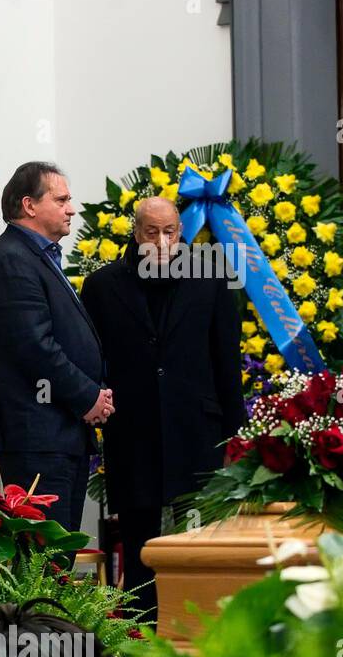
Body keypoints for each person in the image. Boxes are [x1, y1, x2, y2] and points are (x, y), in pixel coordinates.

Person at [80, 197, 244, 623]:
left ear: (181, 233)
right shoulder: (102, 286)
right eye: (151, 231)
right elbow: (92, 360)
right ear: (136, 233)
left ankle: (200, 627)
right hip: (133, 429)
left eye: (170, 231)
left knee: (200, 536)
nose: (162, 240)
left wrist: (236, 433)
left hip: (197, 427)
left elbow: (227, 359)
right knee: (138, 540)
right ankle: (139, 636)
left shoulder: (211, 280)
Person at [0, 162, 110, 531]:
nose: (72, 209)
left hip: (57, 431)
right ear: (29, 205)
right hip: (36, 433)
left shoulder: (36, 257)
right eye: (62, 200)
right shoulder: (12, 261)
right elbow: (36, 347)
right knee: (43, 560)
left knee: (57, 558)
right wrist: (87, 397)